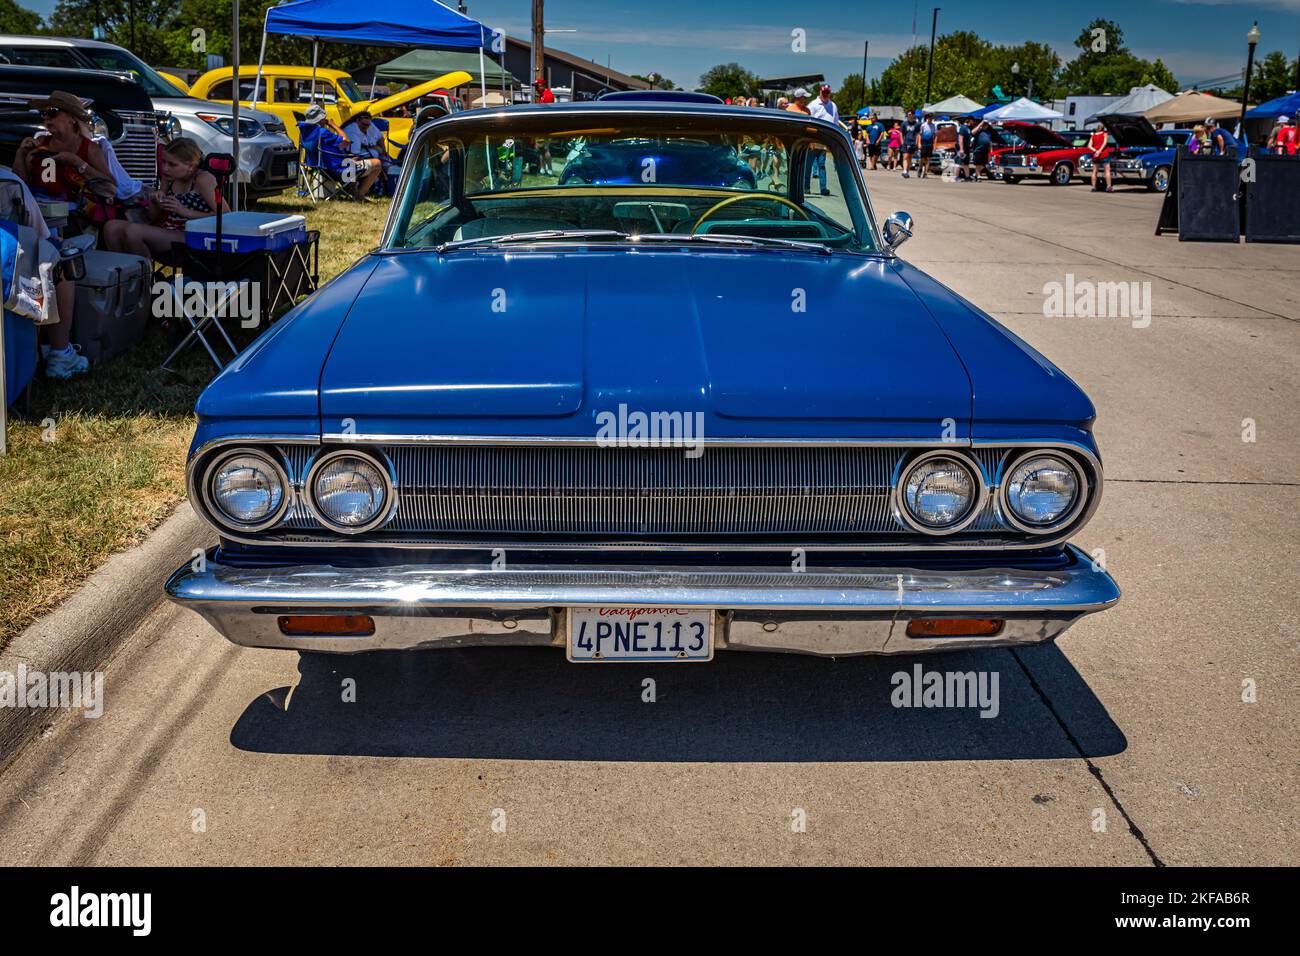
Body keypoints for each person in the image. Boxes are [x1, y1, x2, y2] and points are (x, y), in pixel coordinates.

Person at [0, 162, 84, 378]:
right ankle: (60, 352)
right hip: (10, 273)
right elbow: (39, 232)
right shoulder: (8, 182)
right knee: (60, 256)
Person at [102, 137, 227, 260]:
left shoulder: (202, 179)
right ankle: (123, 274)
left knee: (133, 231)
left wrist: (186, 212)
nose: (166, 168)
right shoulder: (170, 177)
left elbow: (226, 215)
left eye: (172, 164)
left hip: (196, 235)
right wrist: (154, 201)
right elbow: (155, 217)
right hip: (169, 230)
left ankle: (143, 276)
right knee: (111, 227)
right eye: (164, 162)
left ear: (190, 166)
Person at [13, 91, 114, 213]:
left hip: (75, 216)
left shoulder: (89, 148)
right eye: (43, 113)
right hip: (38, 211)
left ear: (72, 118)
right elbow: (20, 186)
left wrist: (77, 163)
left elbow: (110, 188)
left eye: (52, 112)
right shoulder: (41, 143)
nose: (45, 118)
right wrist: (21, 153)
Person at [301, 104, 382, 198]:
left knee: (351, 160)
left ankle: (350, 191)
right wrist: (333, 125)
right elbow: (346, 142)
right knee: (377, 163)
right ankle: (360, 195)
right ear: (320, 119)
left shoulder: (305, 132)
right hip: (335, 169)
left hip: (318, 167)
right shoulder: (322, 132)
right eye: (324, 117)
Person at [806, 85, 838, 195]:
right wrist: (809, 140)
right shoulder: (813, 105)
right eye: (823, 92)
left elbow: (835, 124)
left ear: (830, 93)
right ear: (820, 92)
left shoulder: (833, 106)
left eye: (827, 92)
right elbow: (808, 122)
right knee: (808, 166)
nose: (825, 94)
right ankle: (806, 187)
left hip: (824, 142)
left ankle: (823, 188)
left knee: (822, 165)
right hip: (812, 141)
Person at [1087, 123, 1112, 191]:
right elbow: (1105, 143)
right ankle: (1109, 187)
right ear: (1103, 128)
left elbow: (1089, 146)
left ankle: (1093, 187)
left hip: (1095, 155)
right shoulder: (1104, 134)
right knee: (1107, 170)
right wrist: (1099, 151)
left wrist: (1095, 151)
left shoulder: (1093, 135)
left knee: (1094, 171)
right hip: (1104, 154)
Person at [900, 109, 919, 178]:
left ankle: (907, 171)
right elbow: (901, 133)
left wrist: (917, 143)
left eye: (910, 114)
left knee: (910, 157)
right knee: (905, 157)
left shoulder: (916, 124)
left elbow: (918, 134)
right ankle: (904, 170)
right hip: (906, 142)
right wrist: (902, 141)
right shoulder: (904, 123)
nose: (909, 115)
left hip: (913, 143)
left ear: (913, 115)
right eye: (908, 114)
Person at [918, 113, 936, 178]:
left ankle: (925, 173)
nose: (930, 119)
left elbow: (935, 135)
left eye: (931, 118)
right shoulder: (923, 125)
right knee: (922, 158)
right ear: (927, 118)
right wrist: (919, 143)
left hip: (930, 143)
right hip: (924, 142)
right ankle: (920, 169)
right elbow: (920, 134)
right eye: (929, 118)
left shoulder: (933, 126)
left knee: (928, 158)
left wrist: (934, 144)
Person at [956, 115, 973, 180]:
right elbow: (960, 138)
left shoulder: (968, 128)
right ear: (969, 120)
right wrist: (961, 149)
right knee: (959, 162)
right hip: (962, 148)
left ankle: (967, 177)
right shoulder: (963, 128)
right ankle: (956, 176)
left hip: (966, 148)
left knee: (966, 163)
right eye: (972, 120)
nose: (973, 122)